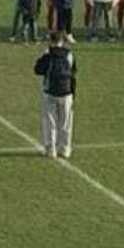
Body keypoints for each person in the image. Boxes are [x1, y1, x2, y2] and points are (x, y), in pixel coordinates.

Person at [34, 32, 77, 160]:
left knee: (50, 121)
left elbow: (37, 69)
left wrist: (44, 56)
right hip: (66, 92)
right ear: (62, 41)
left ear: (51, 41)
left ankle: (50, 148)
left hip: (50, 91)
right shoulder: (69, 54)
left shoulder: (48, 54)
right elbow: (73, 72)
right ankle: (65, 148)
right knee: (66, 122)